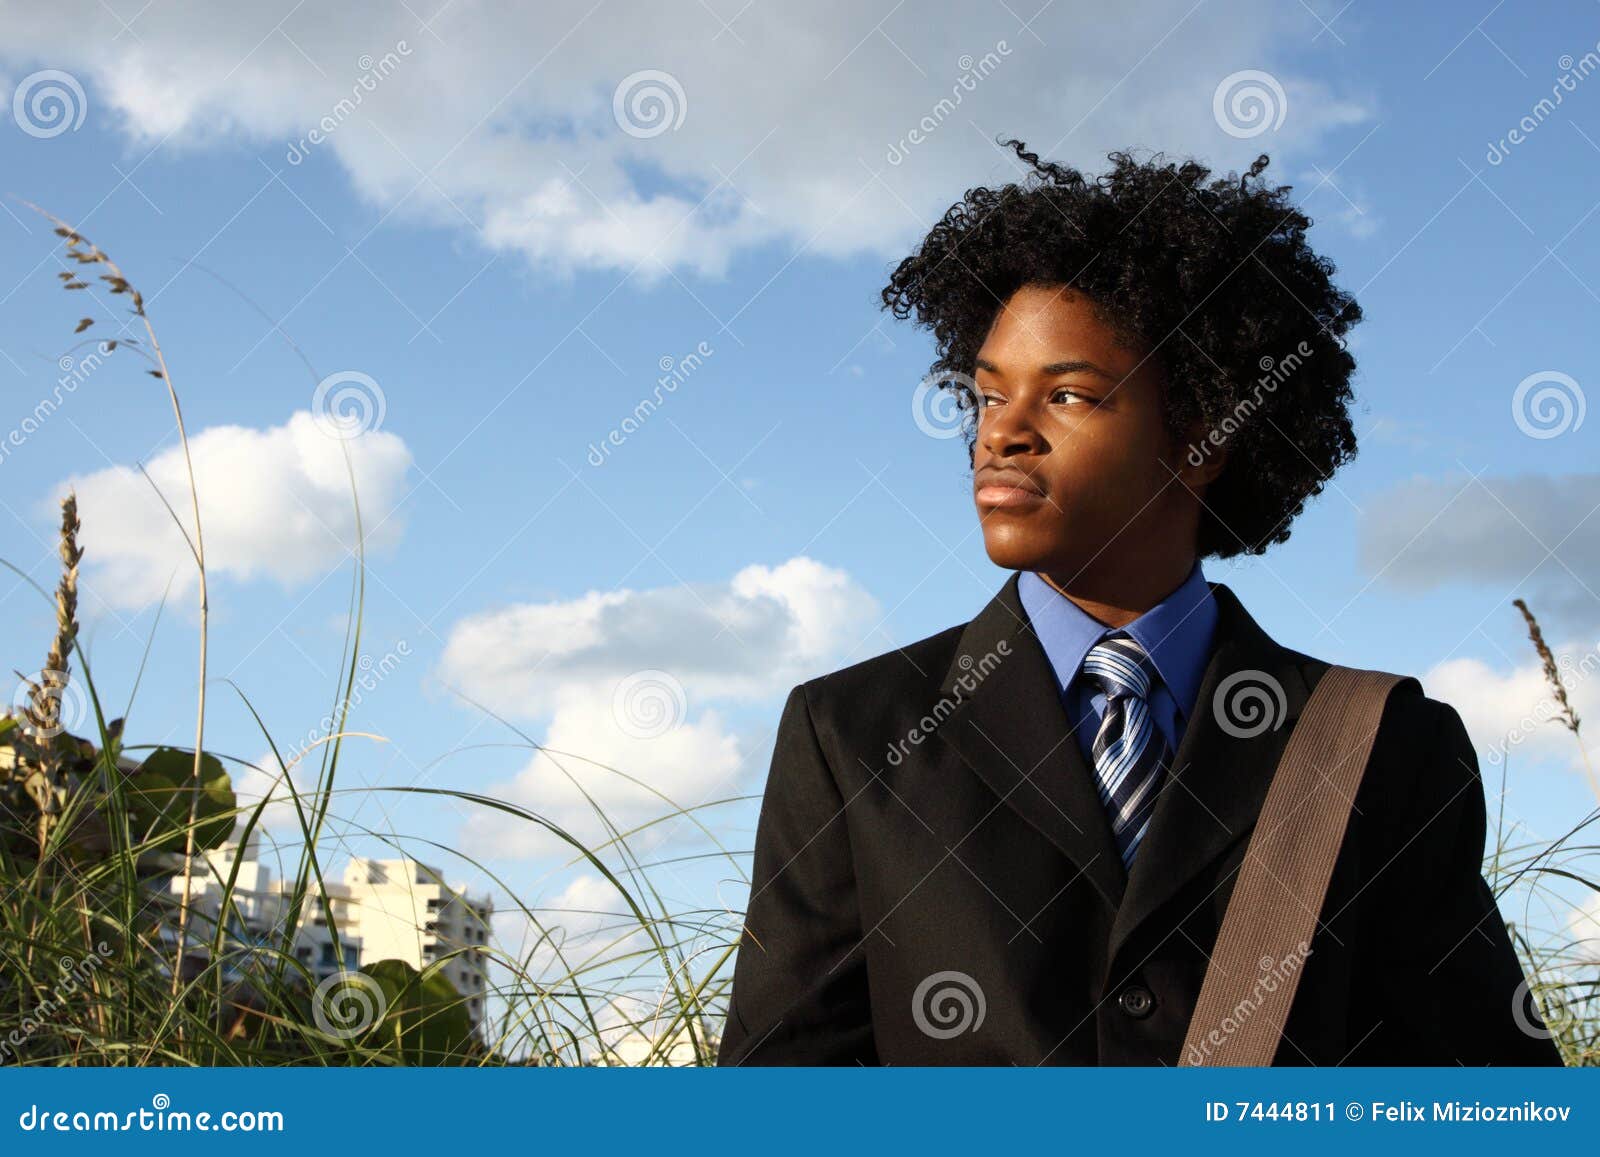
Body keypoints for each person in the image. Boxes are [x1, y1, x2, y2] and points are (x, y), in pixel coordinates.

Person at [715, 141, 1564, 1066]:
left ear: (1202, 432)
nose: (1002, 431)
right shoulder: (849, 732)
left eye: (1069, 393)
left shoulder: (1380, 744)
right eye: (988, 393)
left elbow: (1489, 1093)